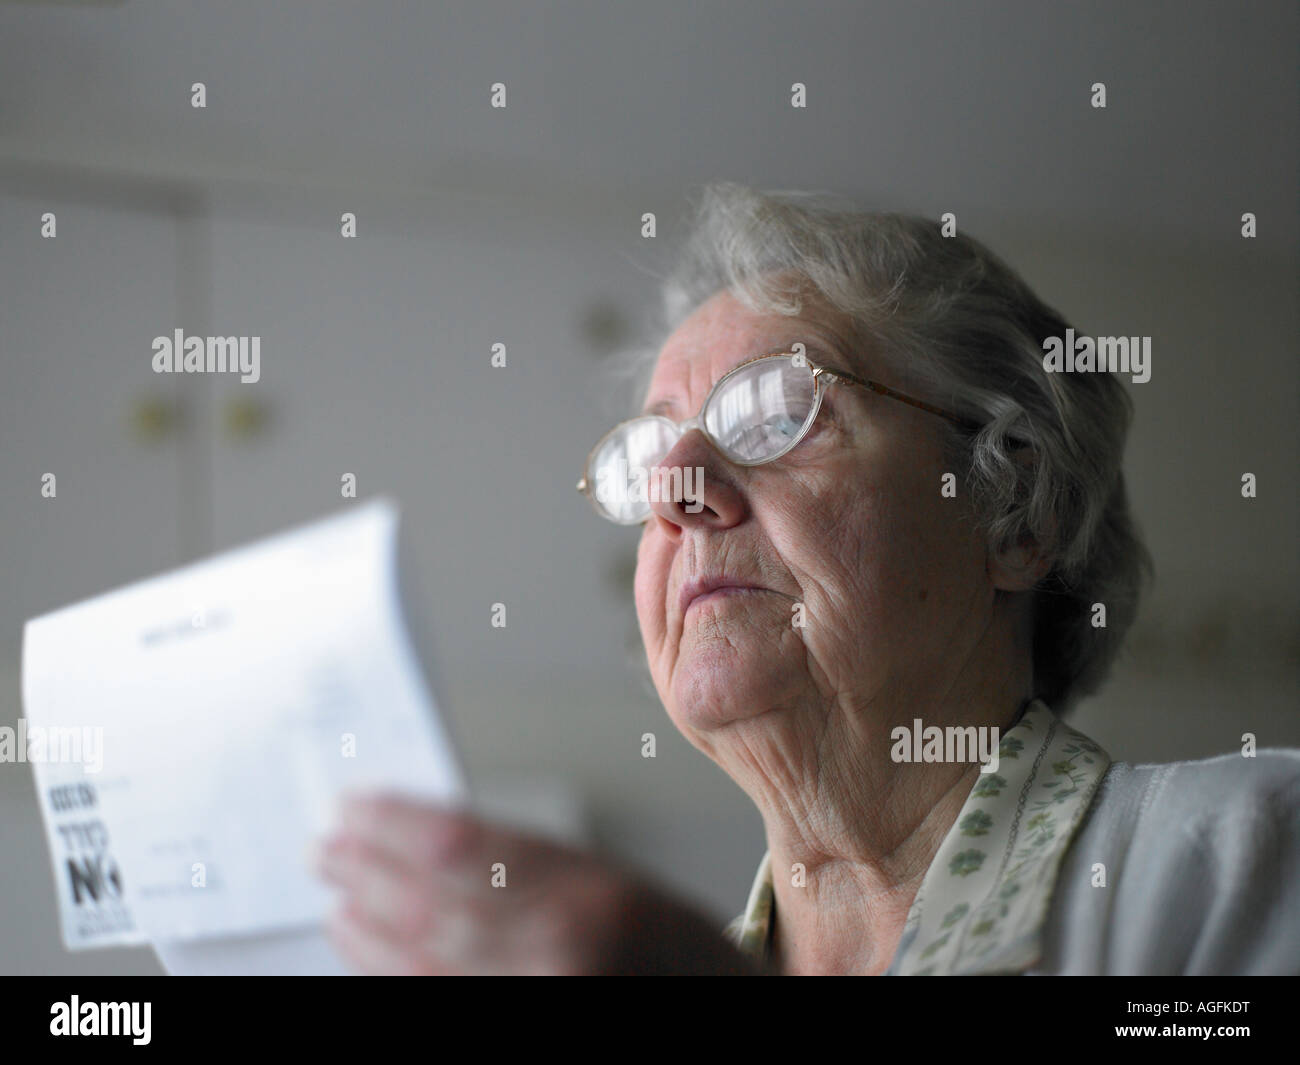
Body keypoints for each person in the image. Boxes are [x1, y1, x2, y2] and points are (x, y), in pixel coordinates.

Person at [311, 183, 1300, 975]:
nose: (676, 488)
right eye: (653, 450)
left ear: (1014, 512)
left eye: (777, 413)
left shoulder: (1245, 856)